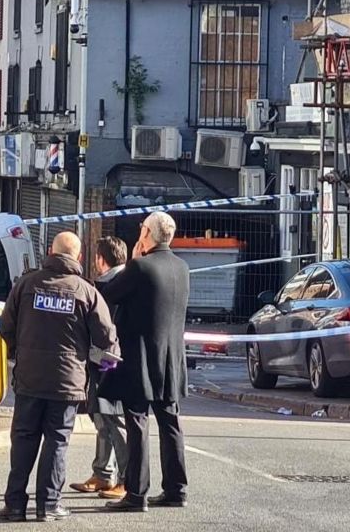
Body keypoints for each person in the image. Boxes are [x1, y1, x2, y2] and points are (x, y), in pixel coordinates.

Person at [0, 231, 119, 523]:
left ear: (51, 252)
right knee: (57, 441)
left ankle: (14, 504)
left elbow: (5, 328)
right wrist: (100, 364)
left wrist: (19, 353)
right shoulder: (86, 291)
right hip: (67, 382)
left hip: (29, 378)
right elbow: (106, 340)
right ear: (79, 257)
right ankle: (49, 505)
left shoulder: (26, 284)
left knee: (24, 439)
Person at [101, 212, 190, 513]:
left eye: (142, 229)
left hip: (140, 357)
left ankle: (136, 494)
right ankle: (176, 490)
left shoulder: (140, 266)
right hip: (171, 358)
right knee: (170, 423)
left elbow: (110, 294)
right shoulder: (182, 267)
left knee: (137, 423)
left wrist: (132, 261)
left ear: (147, 234)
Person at [70, 236, 130, 499]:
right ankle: (103, 473)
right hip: (106, 360)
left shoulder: (111, 287)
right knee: (102, 420)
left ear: (101, 260)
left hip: (109, 362)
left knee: (114, 421)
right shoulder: (117, 283)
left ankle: (126, 480)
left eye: (96, 257)